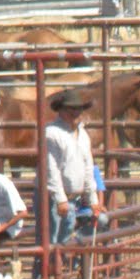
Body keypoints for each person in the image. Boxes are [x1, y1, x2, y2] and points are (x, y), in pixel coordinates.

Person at [44, 88, 100, 245]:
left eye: (78, 109)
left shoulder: (82, 134)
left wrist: (92, 199)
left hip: (72, 198)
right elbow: (51, 169)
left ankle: (63, 266)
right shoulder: (52, 133)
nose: (76, 113)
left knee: (64, 240)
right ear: (61, 110)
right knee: (51, 242)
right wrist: (60, 199)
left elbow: (88, 168)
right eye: (71, 109)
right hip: (54, 198)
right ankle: (48, 269)